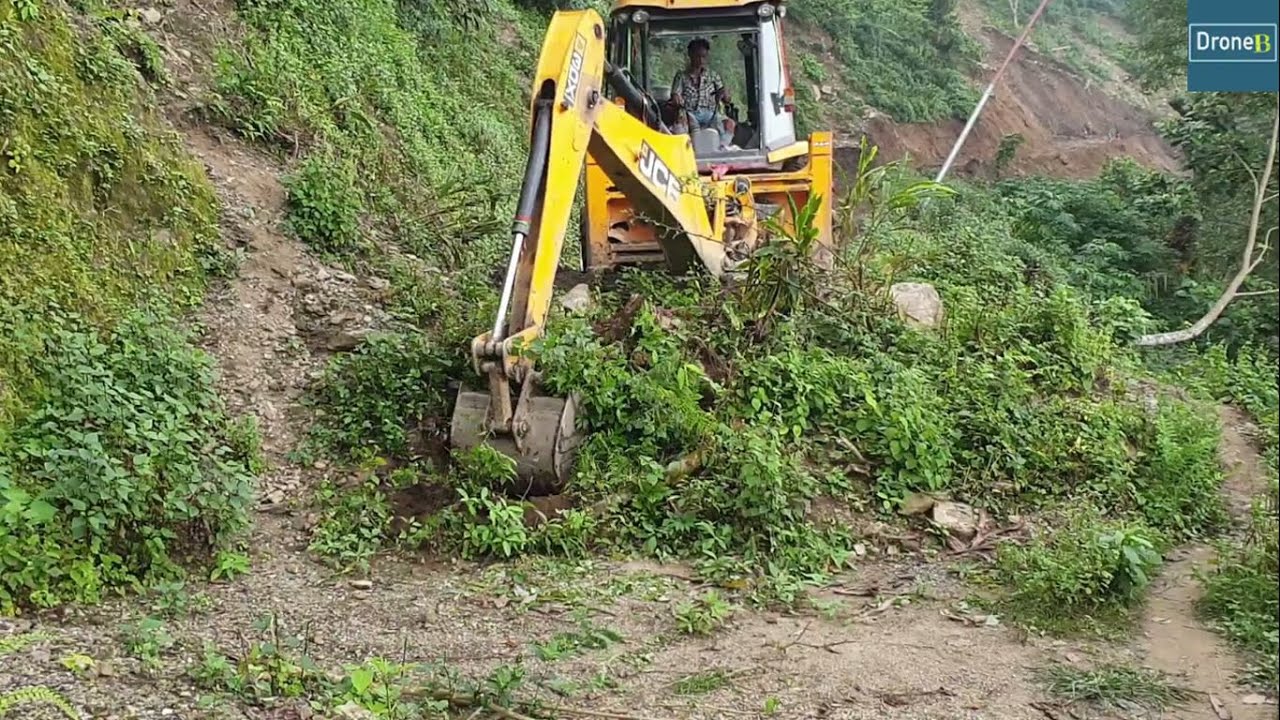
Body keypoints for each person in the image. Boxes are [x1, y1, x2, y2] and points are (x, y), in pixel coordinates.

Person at [670, 38, 733, 147]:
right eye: (697, 56)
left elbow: (726, 99)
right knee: (679, 126)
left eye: (703, 57)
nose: (700, 60)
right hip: (689, 113)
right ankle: (686, 150)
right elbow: (675, 94)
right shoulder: (681, 76)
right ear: (690, 55)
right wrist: (677, 98)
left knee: (730, 124)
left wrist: (724, 94)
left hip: (710, 113)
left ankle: (722, 148)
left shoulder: (713, 75)